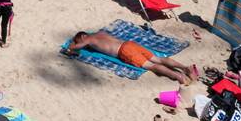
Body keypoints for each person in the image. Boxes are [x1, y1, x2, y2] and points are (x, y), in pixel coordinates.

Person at [67, 30, 198, 84]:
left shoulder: (88, 39)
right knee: (158, 59)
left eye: (79, 40)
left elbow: (74, 47)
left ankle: (178, 76)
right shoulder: (101, 33)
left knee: (151, 66)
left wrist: (73, 45)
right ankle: (185, 68)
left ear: (83, 36)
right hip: (129, 43)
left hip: (124, 51)